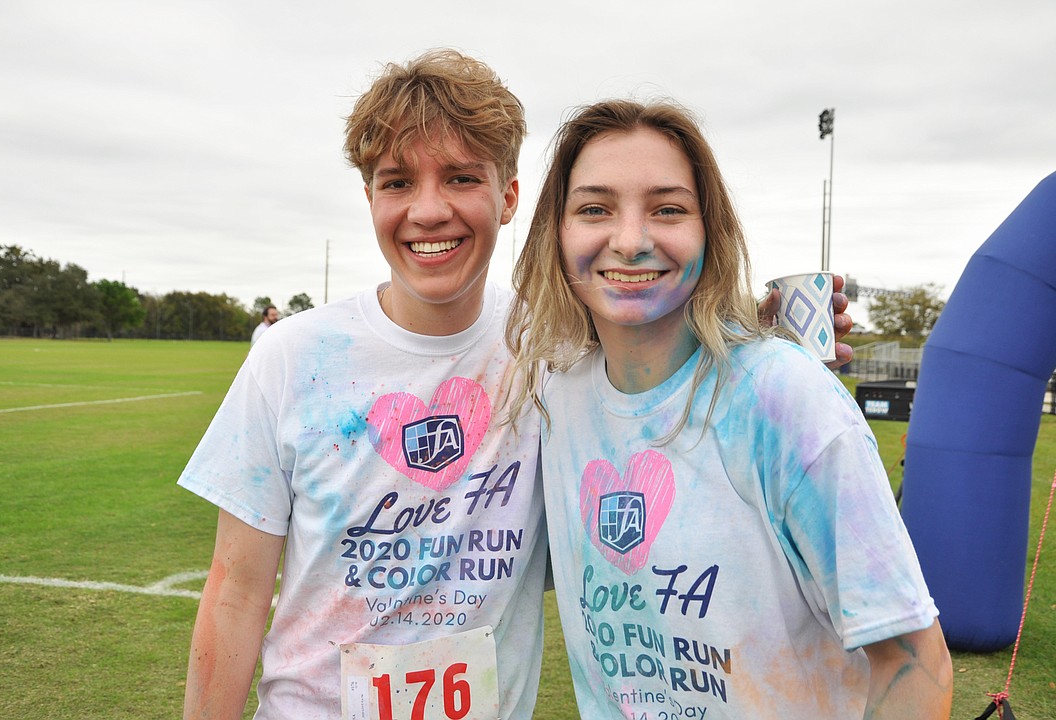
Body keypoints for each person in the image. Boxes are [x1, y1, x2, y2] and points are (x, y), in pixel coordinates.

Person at [179, 50, 854, 720]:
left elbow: (663, 356)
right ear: (369, 198)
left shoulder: (558, 348)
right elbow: (236, 594)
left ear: (507, 197)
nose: (428, 210)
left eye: (461, 177)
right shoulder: (292, 358)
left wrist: (755, 341)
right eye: (397, 182)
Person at [505, 99, 952, 719]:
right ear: (555, 231)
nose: (630, 240)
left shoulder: (785, 397)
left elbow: (913, 663)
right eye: (593, 209)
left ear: (708, 232)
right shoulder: (554, 398)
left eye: (668, 209)